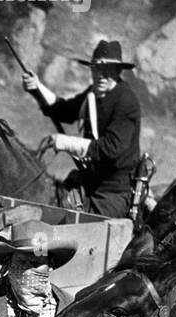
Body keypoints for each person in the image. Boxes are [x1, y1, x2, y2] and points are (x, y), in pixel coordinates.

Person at [20, 39, 142, 219]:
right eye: (97, 69)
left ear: (117, 71)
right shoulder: (92, 94)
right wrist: (37, 88)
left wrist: (66, 143)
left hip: (114, 191)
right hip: (87, 182)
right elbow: (63, 110)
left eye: (107, 70)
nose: (101, 75)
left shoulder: (126, 101)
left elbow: (111, 148)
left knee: (86, 228)